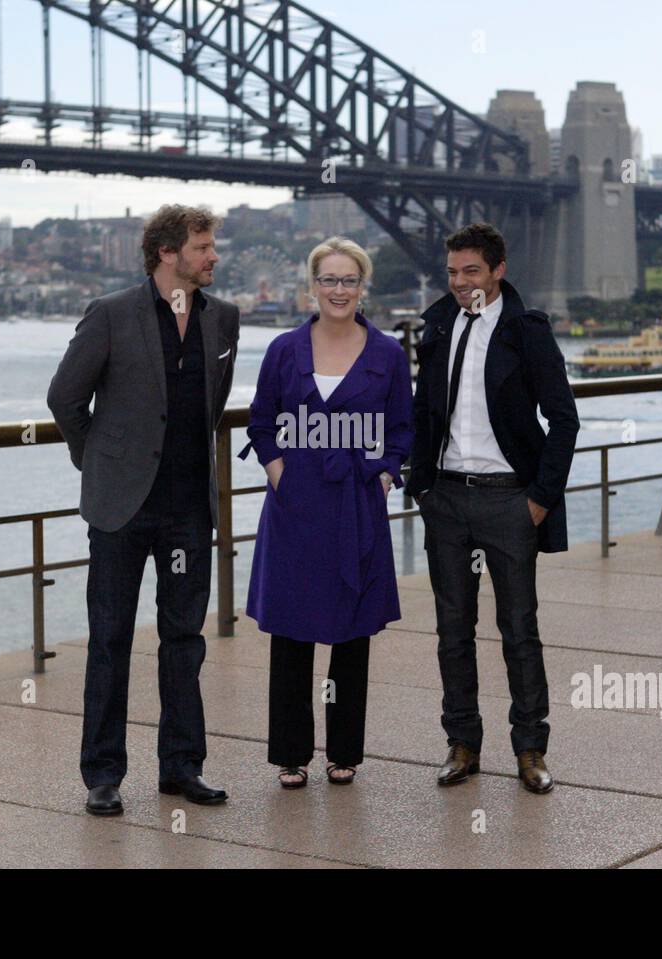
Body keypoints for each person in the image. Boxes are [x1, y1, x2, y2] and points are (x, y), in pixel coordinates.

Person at [46, 205, 240, 815]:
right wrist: (99, 461)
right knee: (110, 639)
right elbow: (65, 398)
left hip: (188, 510)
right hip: (121, 511)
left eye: (212, 245)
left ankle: (182, 767)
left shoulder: (223, 320)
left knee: (184, 640)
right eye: (203, 246)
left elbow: (211, 406)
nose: (213, 256)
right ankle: (102, 775)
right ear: (167, 252)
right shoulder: (110, 314)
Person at [404, 223, 578, 794]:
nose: (459, 283)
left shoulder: (526, 331)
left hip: (510, 500)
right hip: (447, 498)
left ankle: (530, 749)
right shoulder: (435, 325)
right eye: (452, 272)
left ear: (498, 270)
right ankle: (462, 744)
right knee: (452, 630)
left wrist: (539, 500)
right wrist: (421, 487)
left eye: (471, 271)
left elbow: (564, 420)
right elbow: (419, 411)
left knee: (519, 631)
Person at [241, 237, 413, 788]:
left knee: (350, 633)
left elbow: (402, 429)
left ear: (363, 286)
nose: (338, 291)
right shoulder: (283, 351)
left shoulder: (387, 353)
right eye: (328, 280)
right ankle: (291, 754)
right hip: (295, 506)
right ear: (312, 286)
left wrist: (384, 476)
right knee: (291, 633)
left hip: (355, 506)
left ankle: (345, 752)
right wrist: (279, 473)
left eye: (349, 280)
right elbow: (262, 422)